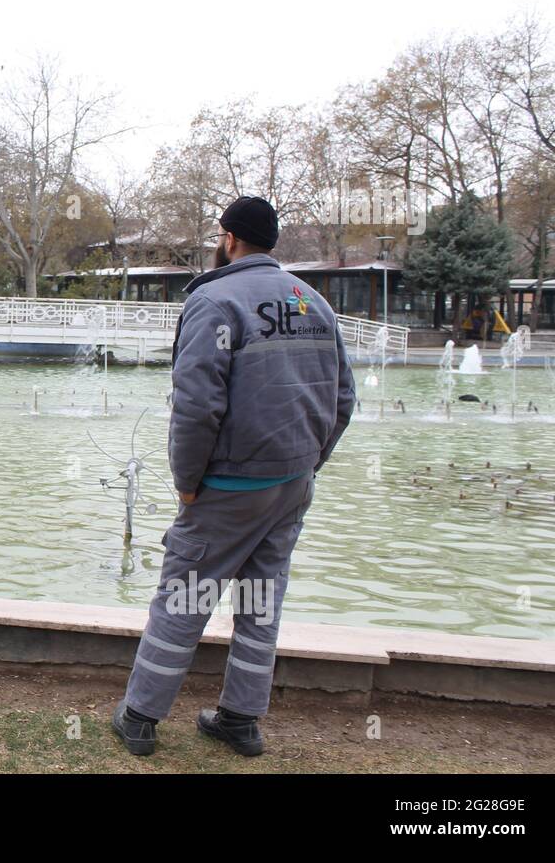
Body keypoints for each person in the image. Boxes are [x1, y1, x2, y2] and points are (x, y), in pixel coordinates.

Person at [112, 196, 355, 758]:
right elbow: (344, 399)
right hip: (292, 482)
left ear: (228, 238)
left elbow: (197, 405)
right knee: (261, 601)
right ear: (271, 241)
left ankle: (141, 717)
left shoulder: (214, 300)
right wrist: (309, 464)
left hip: (229, 485)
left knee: (183, 597)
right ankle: (240, 720)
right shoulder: (314, 302)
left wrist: (187, 481)